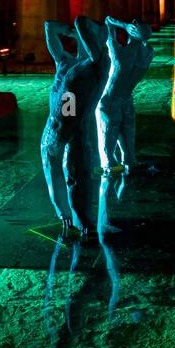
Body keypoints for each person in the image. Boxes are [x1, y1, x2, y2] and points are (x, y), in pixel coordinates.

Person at [39, 16, 109, 236]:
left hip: (76, 127)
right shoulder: (67, 61)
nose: (80, 37)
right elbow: (49, 26)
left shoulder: (98, 63)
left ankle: (83, 219)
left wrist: (80, 27)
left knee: (78, 174)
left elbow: (81, 23)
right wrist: (68, 30)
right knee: (53, 166)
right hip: (55, 127)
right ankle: (63, 212)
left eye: (87, 35)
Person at [95, 17, 153, 233]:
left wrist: (122, 25)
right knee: (124, 157)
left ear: (131, 32)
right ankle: (115, 210)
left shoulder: (119, 51)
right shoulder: (147, 54)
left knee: (112, 160)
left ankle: (110, 213)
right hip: (122, 102)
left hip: (112, 101)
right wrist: (134, 29)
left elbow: (107, 21)